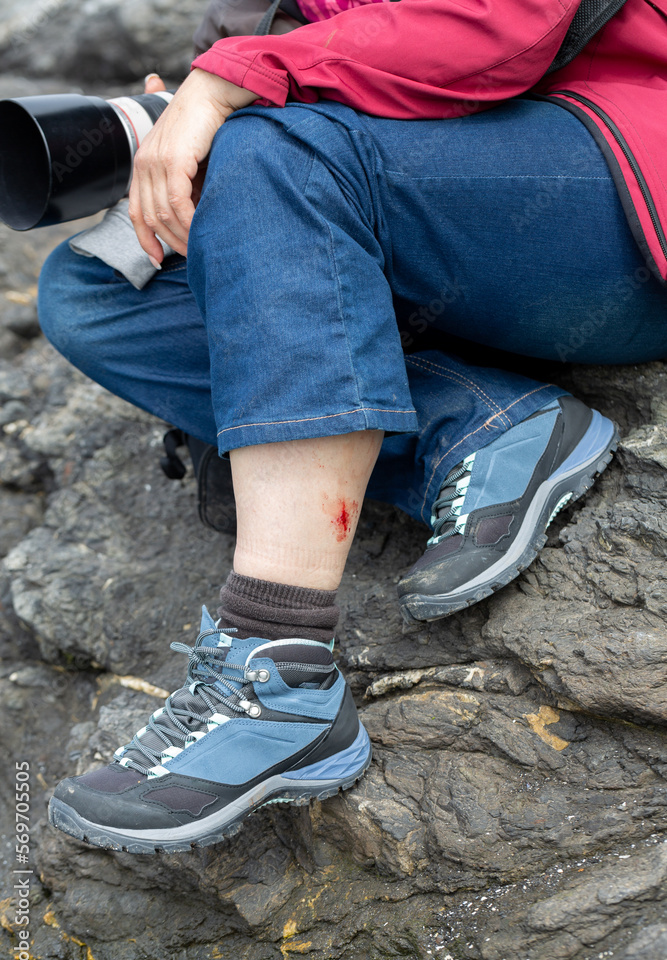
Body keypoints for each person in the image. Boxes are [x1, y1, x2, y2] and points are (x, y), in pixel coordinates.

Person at [38, 0, 667, 853]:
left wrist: (234, 87)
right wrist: (197, 106)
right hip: (431, 183)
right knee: (101, 291)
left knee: (278, 152)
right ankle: (480, 425)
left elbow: (505, 22)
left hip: (619, 186)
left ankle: (277, 669)